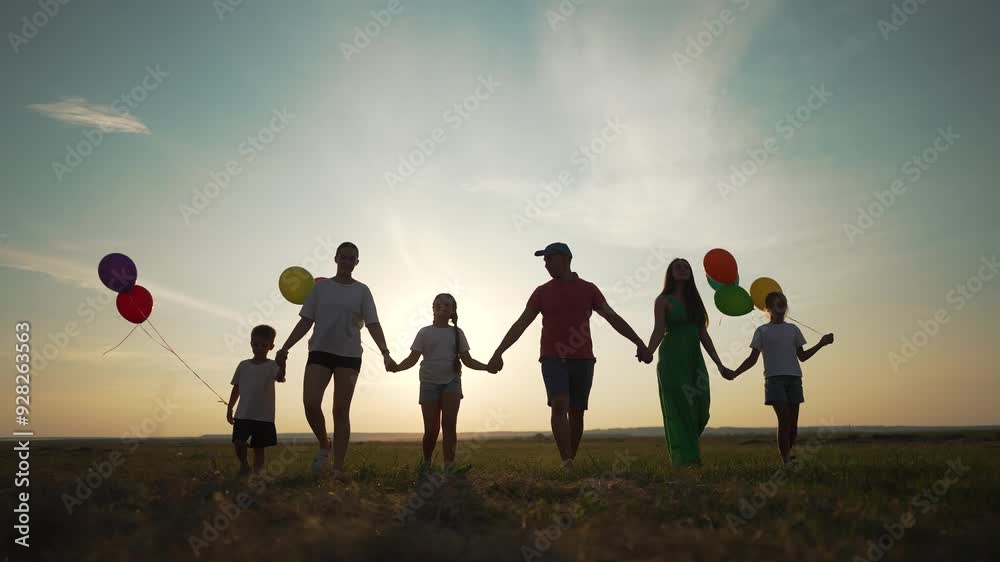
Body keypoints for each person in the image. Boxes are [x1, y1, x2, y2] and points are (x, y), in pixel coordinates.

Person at [488, 242, 647, 472]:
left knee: (577, 411)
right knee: (559, 404)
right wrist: (499, 351)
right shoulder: (541, 292)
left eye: (549, 259)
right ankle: (567, 462)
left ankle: (570, 460)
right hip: (553, 358)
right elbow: (521, 323)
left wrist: (639, 342)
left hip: (583, 359)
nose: (545, 264)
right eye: (544, 260)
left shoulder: (589, 289)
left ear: (565, 259)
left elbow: (612, 317)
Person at [275, 242, 394, 482]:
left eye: (352, 258)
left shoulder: (362, 291)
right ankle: (323, 444)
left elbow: (373, 323)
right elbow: (306, 321)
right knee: (310, 402)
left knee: (340, 410)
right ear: (336, 258)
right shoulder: (320, 289)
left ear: (357, 262)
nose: (347, 262)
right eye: (344, 257)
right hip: (320, 351)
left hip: (349, 356)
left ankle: (338, 469)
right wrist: (285, 347)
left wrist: (385, 352)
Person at [388, 293, 496, 472]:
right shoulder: (424, 332)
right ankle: (426, 463)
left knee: (449, 424)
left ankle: (449, 466)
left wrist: (487, 367)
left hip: (452, 382)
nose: (442, 306)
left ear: (453, 311)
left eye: (447, 305)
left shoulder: (458, 333)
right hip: (428, 383)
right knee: (431, 429)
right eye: (438, 303)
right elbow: (412, 359)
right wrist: (396, 367)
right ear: (433, 308)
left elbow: (468, 360)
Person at [727, 291, 834, 465]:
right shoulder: (762, 331)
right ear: (768, 308)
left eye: (784, 304)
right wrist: (735, 373)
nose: (782, 308)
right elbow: (752, 359)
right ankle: (786, 461)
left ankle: (788, 455)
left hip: (794, 379)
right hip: (774, 381)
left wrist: (821, 343)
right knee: (784, 420)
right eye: (778, 304)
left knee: (793, 425)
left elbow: (803, 357)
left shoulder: (793, 329)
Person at [640, 258, 728, 467]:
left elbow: (704, 335)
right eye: (677, 267)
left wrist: (719, 364)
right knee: (680, 407)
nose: (682, 269)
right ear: (670, 273)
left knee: (701, 406)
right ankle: (686, 459)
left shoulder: (695, 301)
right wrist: (649, 352)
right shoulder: (663, 300)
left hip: (694, 358)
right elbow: (658, 330)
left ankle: (687, 450)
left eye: (686, 267)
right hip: (671, 358)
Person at [227, 324, 285, 475]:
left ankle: (257, 473)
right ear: (251, 343)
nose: (259, 348)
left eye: (263, 345)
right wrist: (230, 407)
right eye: (256, 344)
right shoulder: (243, 365)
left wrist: (282, 363)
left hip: (263, 416)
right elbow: (236, 387)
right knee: (238, 442)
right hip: (243, 414)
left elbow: (280, 378)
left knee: (259, 448)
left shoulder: (272, 365)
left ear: (271, 347)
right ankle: (244, 465)